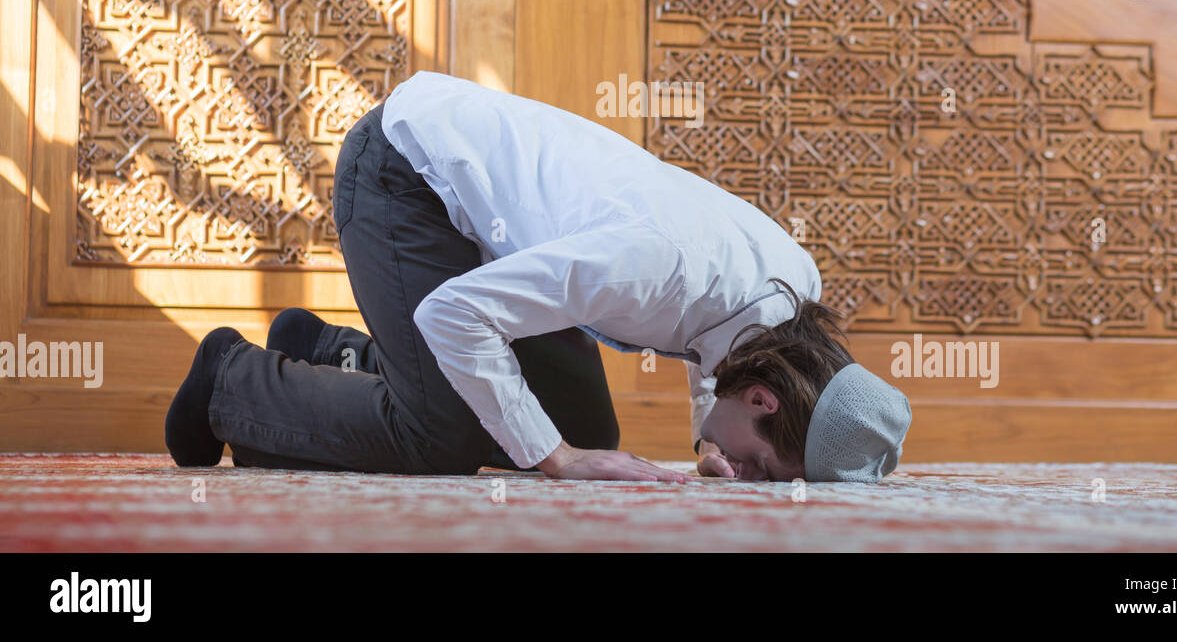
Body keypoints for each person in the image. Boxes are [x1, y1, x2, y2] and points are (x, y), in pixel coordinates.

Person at [165, 71, 911, 482]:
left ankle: (338, 356)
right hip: (404, 174)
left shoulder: (789, 295)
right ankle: (231, 380)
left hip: (506, 231)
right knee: (446, 437)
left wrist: (705, 443)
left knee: (588, 432)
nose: (747, 475)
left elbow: (725, 347)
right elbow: (455, 315)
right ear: (763, 398)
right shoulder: (652, 270)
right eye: (762, 462)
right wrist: (554, 461)